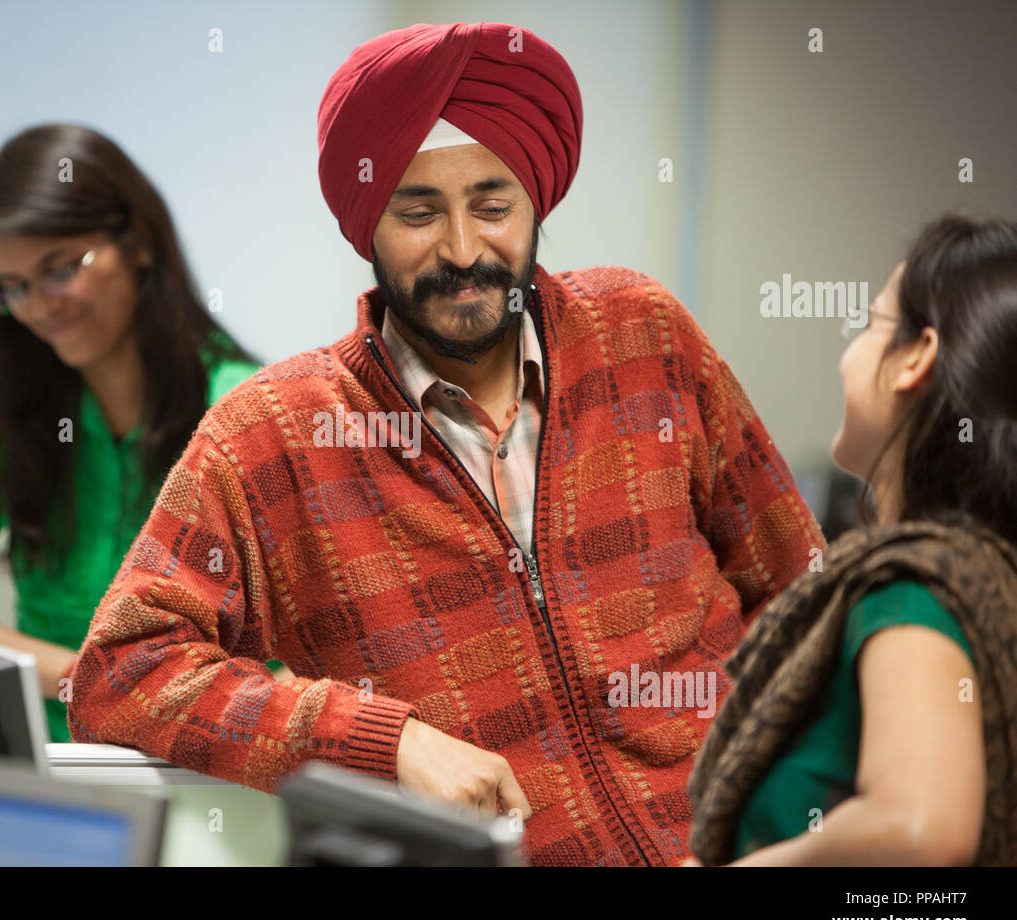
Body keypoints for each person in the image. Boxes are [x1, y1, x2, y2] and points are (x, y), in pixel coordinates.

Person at [67, 23, 825, 866]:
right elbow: (122, 668)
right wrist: (382, 742)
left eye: (493, 206)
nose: (464, 251)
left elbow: (806, 593)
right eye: (418, 212)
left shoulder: (645, 335)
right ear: (366, 226)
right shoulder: (275, 435)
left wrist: (779, 814)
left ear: (534, 202)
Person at [0, 124, 261, 742]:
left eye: (60, 269)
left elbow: (311, 635)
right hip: (44, 754)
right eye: (15, 287)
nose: (40, 307)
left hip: (207, 765)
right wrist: (71, 675)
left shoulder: (243, 407)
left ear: (137, 243)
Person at [687, 213, 1017, 866]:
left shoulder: (913, 589)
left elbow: (921, 828)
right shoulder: (983, 576)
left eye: (869, 324)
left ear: (915, 358)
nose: (849, 354)